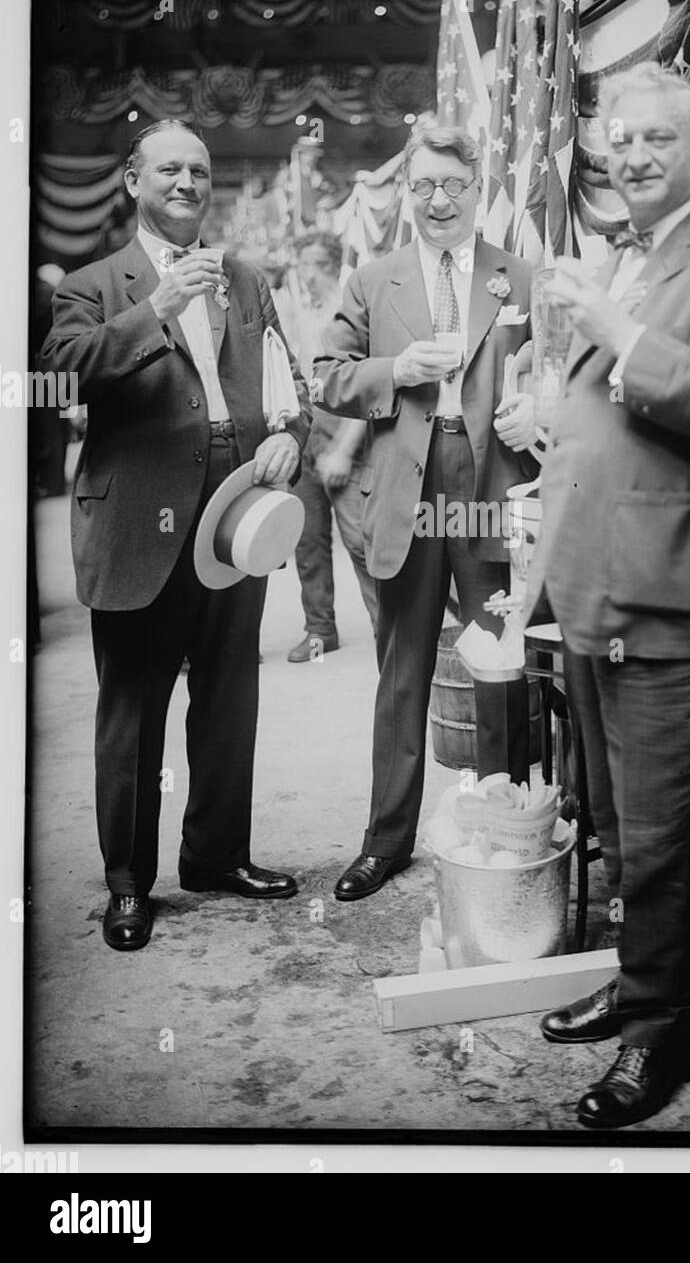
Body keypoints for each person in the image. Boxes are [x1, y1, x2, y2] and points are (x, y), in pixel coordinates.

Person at [525, 63, 690, 1127]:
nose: (629, 155)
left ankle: (659, 1037)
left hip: (672, 610)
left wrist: (614, 328)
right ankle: (642, 978)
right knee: (615, 818)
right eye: (617, 140)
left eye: (654, 139)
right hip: (596, 596)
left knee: (658, 834)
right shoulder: (630, 257)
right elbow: (612, 423)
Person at [40, 119, 313, 952]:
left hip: (237, 506)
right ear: (132, 181)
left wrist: (287, 438)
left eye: (198, 169)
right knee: (133, 709)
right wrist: (157, 307)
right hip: (139, 518)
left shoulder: (246, 276)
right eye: (169, 169)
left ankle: (218, 855)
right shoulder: (94, 284)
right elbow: (57, 372)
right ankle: (128, 884)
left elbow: (288, 380)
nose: (187, 182)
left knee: (231, 695)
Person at [314, 119, 538, 901]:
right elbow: (326, 375)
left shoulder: (519, 277)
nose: (439, 200)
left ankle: (510, 828)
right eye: (424, 187)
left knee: (497, 662)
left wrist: (532, 409)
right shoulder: (375, 281)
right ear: (406, 195)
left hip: (488, 485)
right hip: (407, 486)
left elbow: (555, 369)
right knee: (403, 670)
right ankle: (385, 842)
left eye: (453, 185)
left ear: (477, 190)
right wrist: (394, 368)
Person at [285, 232, 378, 659]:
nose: (303, 274)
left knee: (361, 542)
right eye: (300, 265)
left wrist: (343, 447)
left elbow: (368, 388)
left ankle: (389, 631)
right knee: (309, 541)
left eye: (309, 265)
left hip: (346, 435)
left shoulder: (352, 308)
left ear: (326, 265)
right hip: (306, 432)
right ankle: (320, 629)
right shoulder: (303, 310)